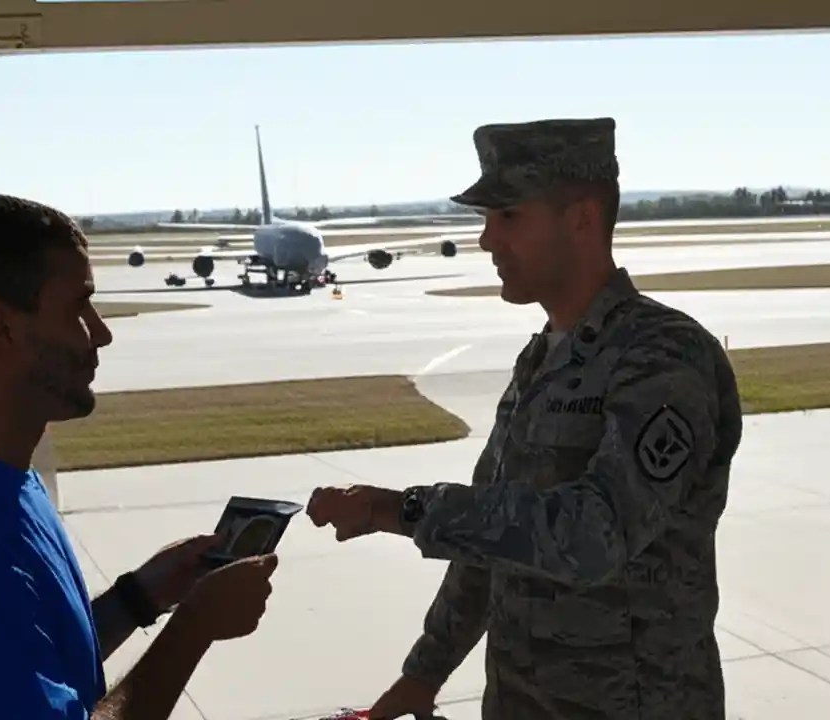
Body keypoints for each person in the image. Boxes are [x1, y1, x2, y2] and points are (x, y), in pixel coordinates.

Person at [306, 117, 743, 719]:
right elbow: (493, 540)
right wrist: (423, 674)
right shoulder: (543, 358)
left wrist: (400, 509)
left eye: (508, 216)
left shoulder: (663, 357)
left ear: (583, 218)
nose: (487, 240)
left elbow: (596, 535)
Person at [0, 191, 280, 720]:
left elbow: (21, 668)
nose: (102, 332)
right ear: (2, 331)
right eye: (79, 306)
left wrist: (138, 598)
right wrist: (194, 627)